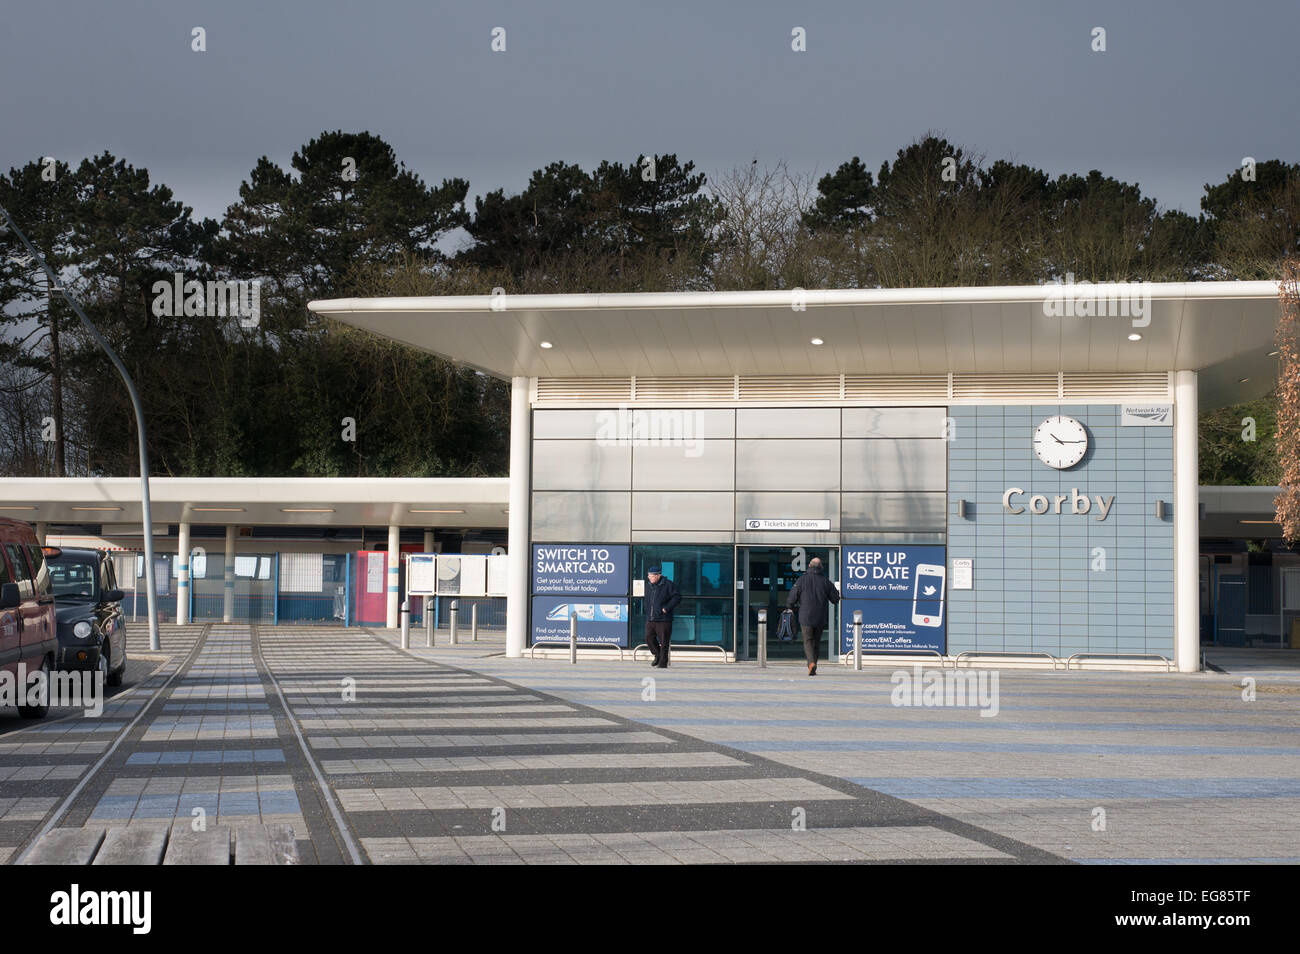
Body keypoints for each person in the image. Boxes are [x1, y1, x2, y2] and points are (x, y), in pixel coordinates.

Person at [786, 556, 839, 676]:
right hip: (820, 617)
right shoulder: (826, 581)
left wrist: (789, 606)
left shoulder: (801, 580)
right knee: (816, 642)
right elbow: (835, 599)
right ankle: (813, 664)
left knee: (808, 641)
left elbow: (792, 597)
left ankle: (811, 663)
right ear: (821, 567)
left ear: (809, 566)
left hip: (805, 616)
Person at [643, 565, 681, 668]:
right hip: (651, 618)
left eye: (652, 576)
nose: (650, 578)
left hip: (664, 619)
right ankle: (657, 654)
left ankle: (663, 663)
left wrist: (667, 608)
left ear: (658, 575)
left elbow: (677, 597)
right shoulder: (648, 586)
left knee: (664, 641)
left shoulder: (668, 585)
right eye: (649, 576)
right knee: (648, 638)